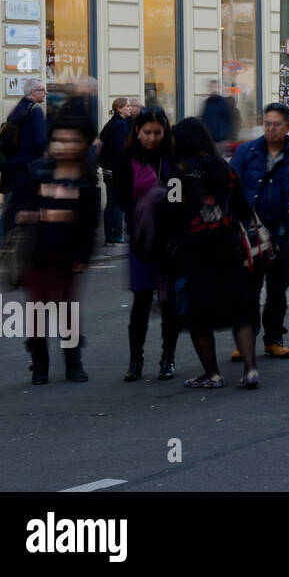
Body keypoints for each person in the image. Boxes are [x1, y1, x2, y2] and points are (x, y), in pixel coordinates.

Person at [161, 118, 259, 389]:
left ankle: (213, 374)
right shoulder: (225, 169)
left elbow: (170, 214)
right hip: (228, 247)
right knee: (241, 310)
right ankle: (250, 370)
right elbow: (242, 208)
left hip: (193, 252)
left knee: (197, 316)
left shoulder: (177, 174)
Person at [231, 103, 289, 359]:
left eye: (276, 124)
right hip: (251, 235)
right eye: (267, 124)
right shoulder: (246, 152)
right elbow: (231, 188)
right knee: (248, 291)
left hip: (285, 234)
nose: (270, 129)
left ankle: (273, 339)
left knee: (277, 291)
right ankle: (245, 340)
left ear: (288, 127)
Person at [16, 116, 100, 384]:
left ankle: (73, 363)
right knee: (38, 311)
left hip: (68, 257)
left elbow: (89, 224)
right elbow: (17, 206)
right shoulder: (37, 171)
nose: (65, 146)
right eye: (59, 140)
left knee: (67, 310)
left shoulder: (87, 179)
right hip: (37, 255)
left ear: (83, 144)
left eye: (73, 140)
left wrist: (84, 256)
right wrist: (25, 215)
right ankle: (40, 365)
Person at [112, 106, 178, 382]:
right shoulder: (127, 158)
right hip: (141, 239)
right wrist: (146, 207)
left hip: (171, 240)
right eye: (147, 132)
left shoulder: (171, 158)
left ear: (165, 133)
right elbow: (121, 199)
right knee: (141, 301)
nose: (152, 138)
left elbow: (178, 196)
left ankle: (167, 358)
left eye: (157, 133)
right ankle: (135, 359)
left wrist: (165, 209)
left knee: (169, 303)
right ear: (137, 131)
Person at [0, 78, 48, 248]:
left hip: (13, 165)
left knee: (12, 205)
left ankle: (5, 240)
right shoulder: (35, 111)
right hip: (29, 167)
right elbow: (40, 142)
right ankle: (22, 242)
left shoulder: (17, 108)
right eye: (42, 90)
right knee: (27, 205)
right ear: (33, 92)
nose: (46, 93)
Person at [96, 98, 132, 246]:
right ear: (119, 109)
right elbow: (120, 149)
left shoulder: (111, 123)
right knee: (118, 203)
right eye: (127, 106)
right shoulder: (121, 125)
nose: (130, 108)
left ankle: (109, 235)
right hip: (116, 170)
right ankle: (117, 235)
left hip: (107, 169)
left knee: (111, 203)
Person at [201, 80, 234, 154]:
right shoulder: (207, 102)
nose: (213, 89)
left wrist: (224, 135)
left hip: (220, 141)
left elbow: (228, 120)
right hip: (208, 140)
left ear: (218, 88)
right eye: (211, 87)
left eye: (215, 87)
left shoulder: (223, 102)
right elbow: (204, 119)